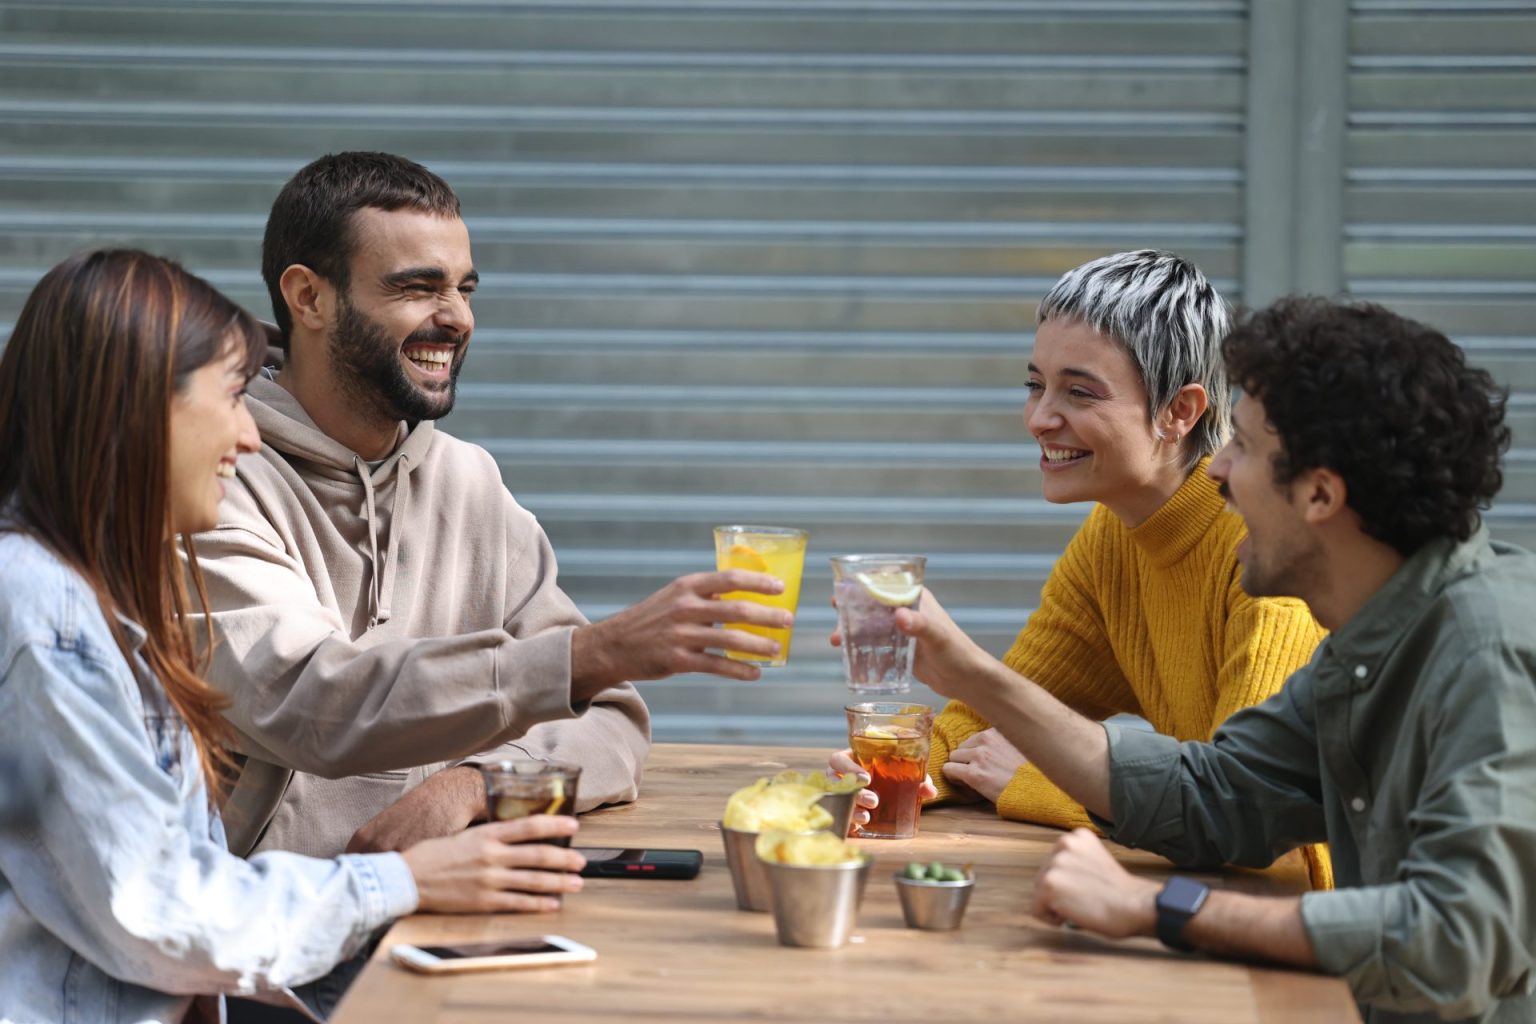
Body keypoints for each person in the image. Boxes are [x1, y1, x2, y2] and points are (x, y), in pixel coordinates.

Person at [899, 296, 1535, 1022]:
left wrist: (1158, 906)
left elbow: (1456, 940)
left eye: (1245, 448)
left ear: (1321, 494)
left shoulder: (1489, 652)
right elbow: (1217, 795)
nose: (1216, 471)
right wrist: (968, 673)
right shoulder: (1370, 642)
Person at [0, 250, 589, 1024]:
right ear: (137, 410)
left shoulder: (87, 598)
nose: (249, 437)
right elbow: (161, 909)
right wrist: (410, 882)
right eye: (234, 398)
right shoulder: (42, 610)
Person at [830, 250, 1330, 884]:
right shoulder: (1114, 536)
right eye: (1036, 384)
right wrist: (898, 771)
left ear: (1180, 411)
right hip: (1199, 899)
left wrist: (1036, 786)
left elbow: (1246, 817)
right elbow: (1006, 714)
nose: (1040, 418)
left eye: (1080, 392)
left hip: (1298, 921)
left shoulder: (1262, 554)